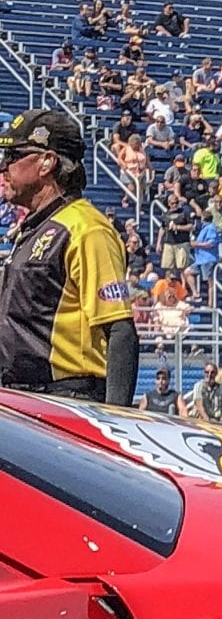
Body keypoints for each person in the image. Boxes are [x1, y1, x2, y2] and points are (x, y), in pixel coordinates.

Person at [0, 110, 138, 405]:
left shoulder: (86, 228)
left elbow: (120, 331)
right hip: (23, 399)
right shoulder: (34, 229)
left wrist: (115, 423)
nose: (3, 166)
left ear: (47, 162)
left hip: (66, 400)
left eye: (12, 155)